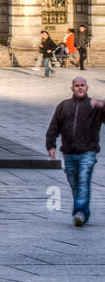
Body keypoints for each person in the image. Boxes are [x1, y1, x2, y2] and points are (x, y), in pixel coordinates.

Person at [46, 76, 105, 226]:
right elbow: (54, 127)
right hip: (69, 152)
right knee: (74, 182)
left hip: (88, 152)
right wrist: (51, 145)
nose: (80, 87)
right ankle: (83, 211)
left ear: (87, 87)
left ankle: (79, 212)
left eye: (82, 85)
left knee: (83, 181)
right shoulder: (64, 105)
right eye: (77, 85)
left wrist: (102, 105)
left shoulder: (94, 106)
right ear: (72, 88)